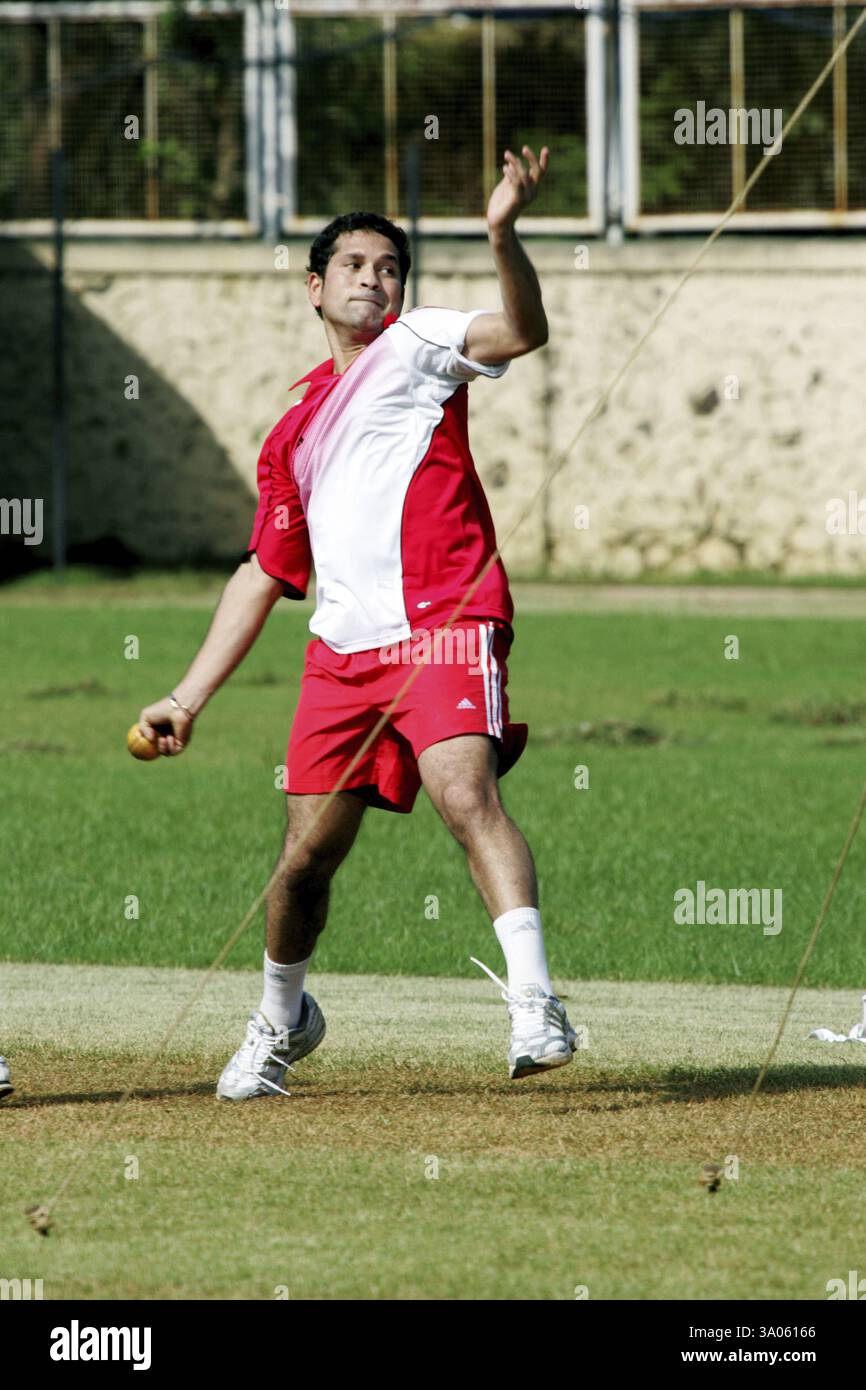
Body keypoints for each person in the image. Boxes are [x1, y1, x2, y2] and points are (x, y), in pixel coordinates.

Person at [138, 144, 578, 1099]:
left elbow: (522, 332)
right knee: (302, 866)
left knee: (466, 796)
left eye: (389, 267)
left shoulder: (420, 346)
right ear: (314, 287)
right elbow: (264, 573)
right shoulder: (292, 432)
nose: (375, 279)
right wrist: (186, 696)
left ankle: (536, 1003)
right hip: (342, 655)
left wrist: (503, 232)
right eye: (354, 266)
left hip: (448, 623)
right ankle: (282, 1017)